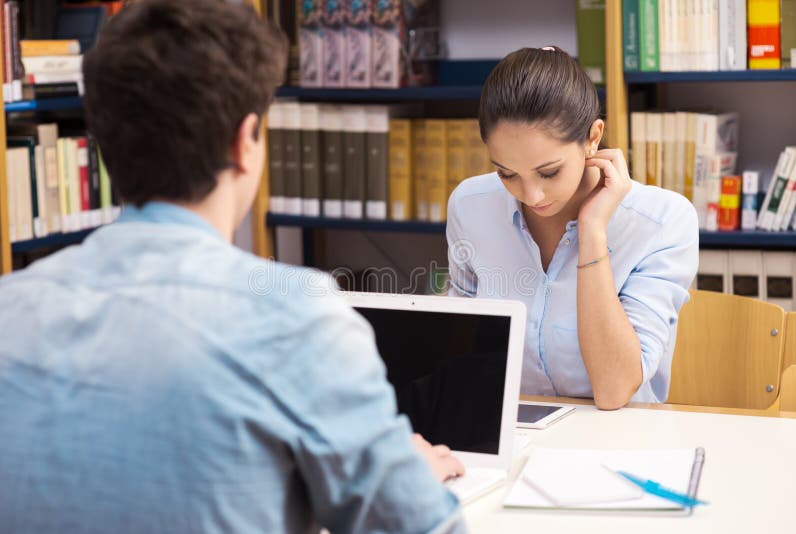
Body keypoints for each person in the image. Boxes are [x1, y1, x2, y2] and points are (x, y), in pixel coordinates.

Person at [0, 1, 465, 532]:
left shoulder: (8, 309)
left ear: (103, 149)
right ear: (245, 142)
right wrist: (408, 481)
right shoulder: (297, 318)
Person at [447, 47, 699, 410]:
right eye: (507, 173)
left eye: (549, 172)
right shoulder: (470, 206)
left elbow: (613, 390)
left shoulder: (662, 222)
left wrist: (593, 230)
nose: (531, 195)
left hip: (616, 440)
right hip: (507, 432)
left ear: (593, 137)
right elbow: (462, 348)